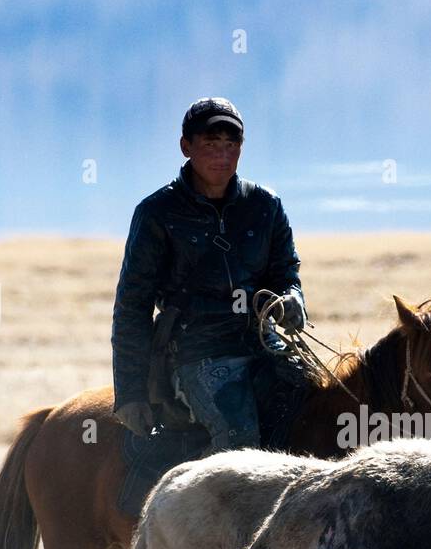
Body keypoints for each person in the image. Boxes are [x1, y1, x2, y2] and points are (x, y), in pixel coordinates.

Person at [110, 96, 307, 452]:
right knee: (240, 441)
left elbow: (285, 272)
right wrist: (130, 393)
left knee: (323, 409)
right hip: (196, 354)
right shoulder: (157, 213)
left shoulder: (265, 205)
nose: (223, 154)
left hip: (265, 346)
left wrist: (293, 299)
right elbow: (132, 307)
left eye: (231, 145)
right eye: (211, 143)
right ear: (186, 146)